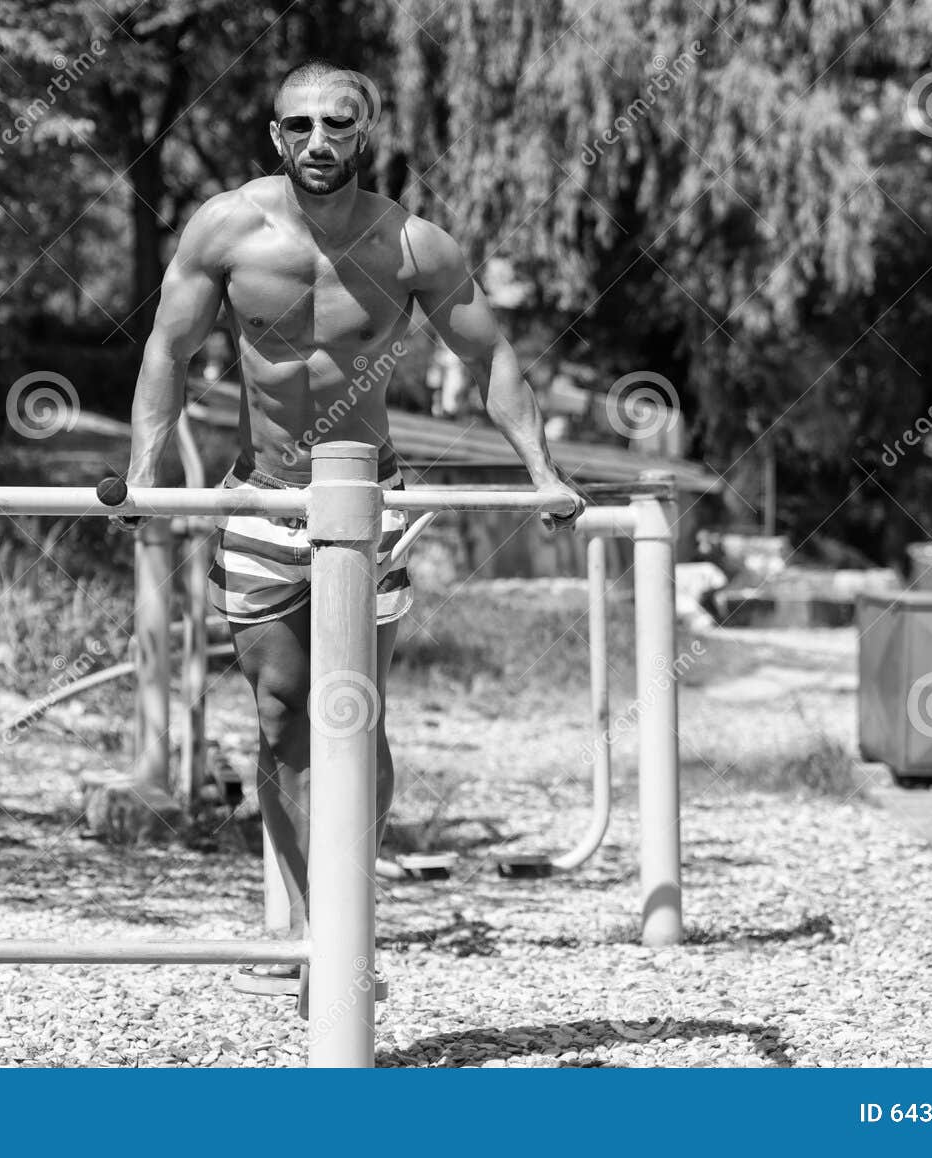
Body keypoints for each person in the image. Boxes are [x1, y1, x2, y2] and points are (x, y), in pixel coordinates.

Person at [115, 59, 586, 990]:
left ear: (364, 133)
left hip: (369, 502)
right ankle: (311, 930)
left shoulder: (414, 246)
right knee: (279, 715)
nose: (318, 140)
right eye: (300, 125)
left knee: (353, 714)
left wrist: (543, 471)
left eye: (338, 123)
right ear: (275, 135)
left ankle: (342, 923)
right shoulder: (227, 229)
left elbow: (490, 359)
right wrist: (142, 477)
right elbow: (166, 350)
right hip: (262, 499)